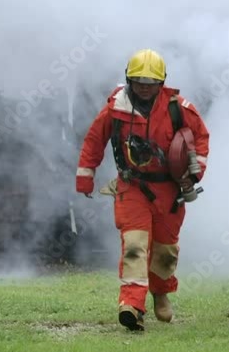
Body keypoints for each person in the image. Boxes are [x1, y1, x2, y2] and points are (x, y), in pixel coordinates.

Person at [76, 48, 210, 332]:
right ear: (129, 80)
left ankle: (161, 295)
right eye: (139, 82)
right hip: (132, 186)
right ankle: (131, 305)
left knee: (165, 249)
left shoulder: (179, 109)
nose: (144, 88)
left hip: (169, 191)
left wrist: (194, 174)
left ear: (161, 83)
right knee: (135, 245)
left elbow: (200, 138)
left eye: (150, 84)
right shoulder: (117, 107)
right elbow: (93, 140)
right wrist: (85, 176)